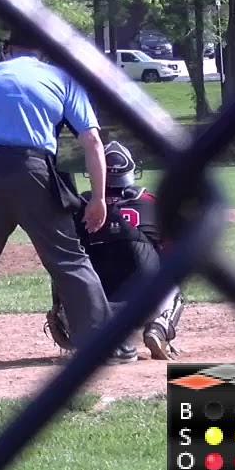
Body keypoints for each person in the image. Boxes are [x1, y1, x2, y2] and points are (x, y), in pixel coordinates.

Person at [0, 31, 127, 373]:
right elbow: (93, 142)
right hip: (35, 170)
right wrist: (98, 197)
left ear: (6, 50)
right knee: (69, 260)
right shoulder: (62, 78)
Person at [44, 141, 185, 360]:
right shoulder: (151, 202)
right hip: (142, 301)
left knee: (67, 264)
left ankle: (72, 328)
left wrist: (57, 303)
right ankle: (159, 328)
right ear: (130, 171)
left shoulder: (81, 204)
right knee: (172, 274)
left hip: (90, 304)